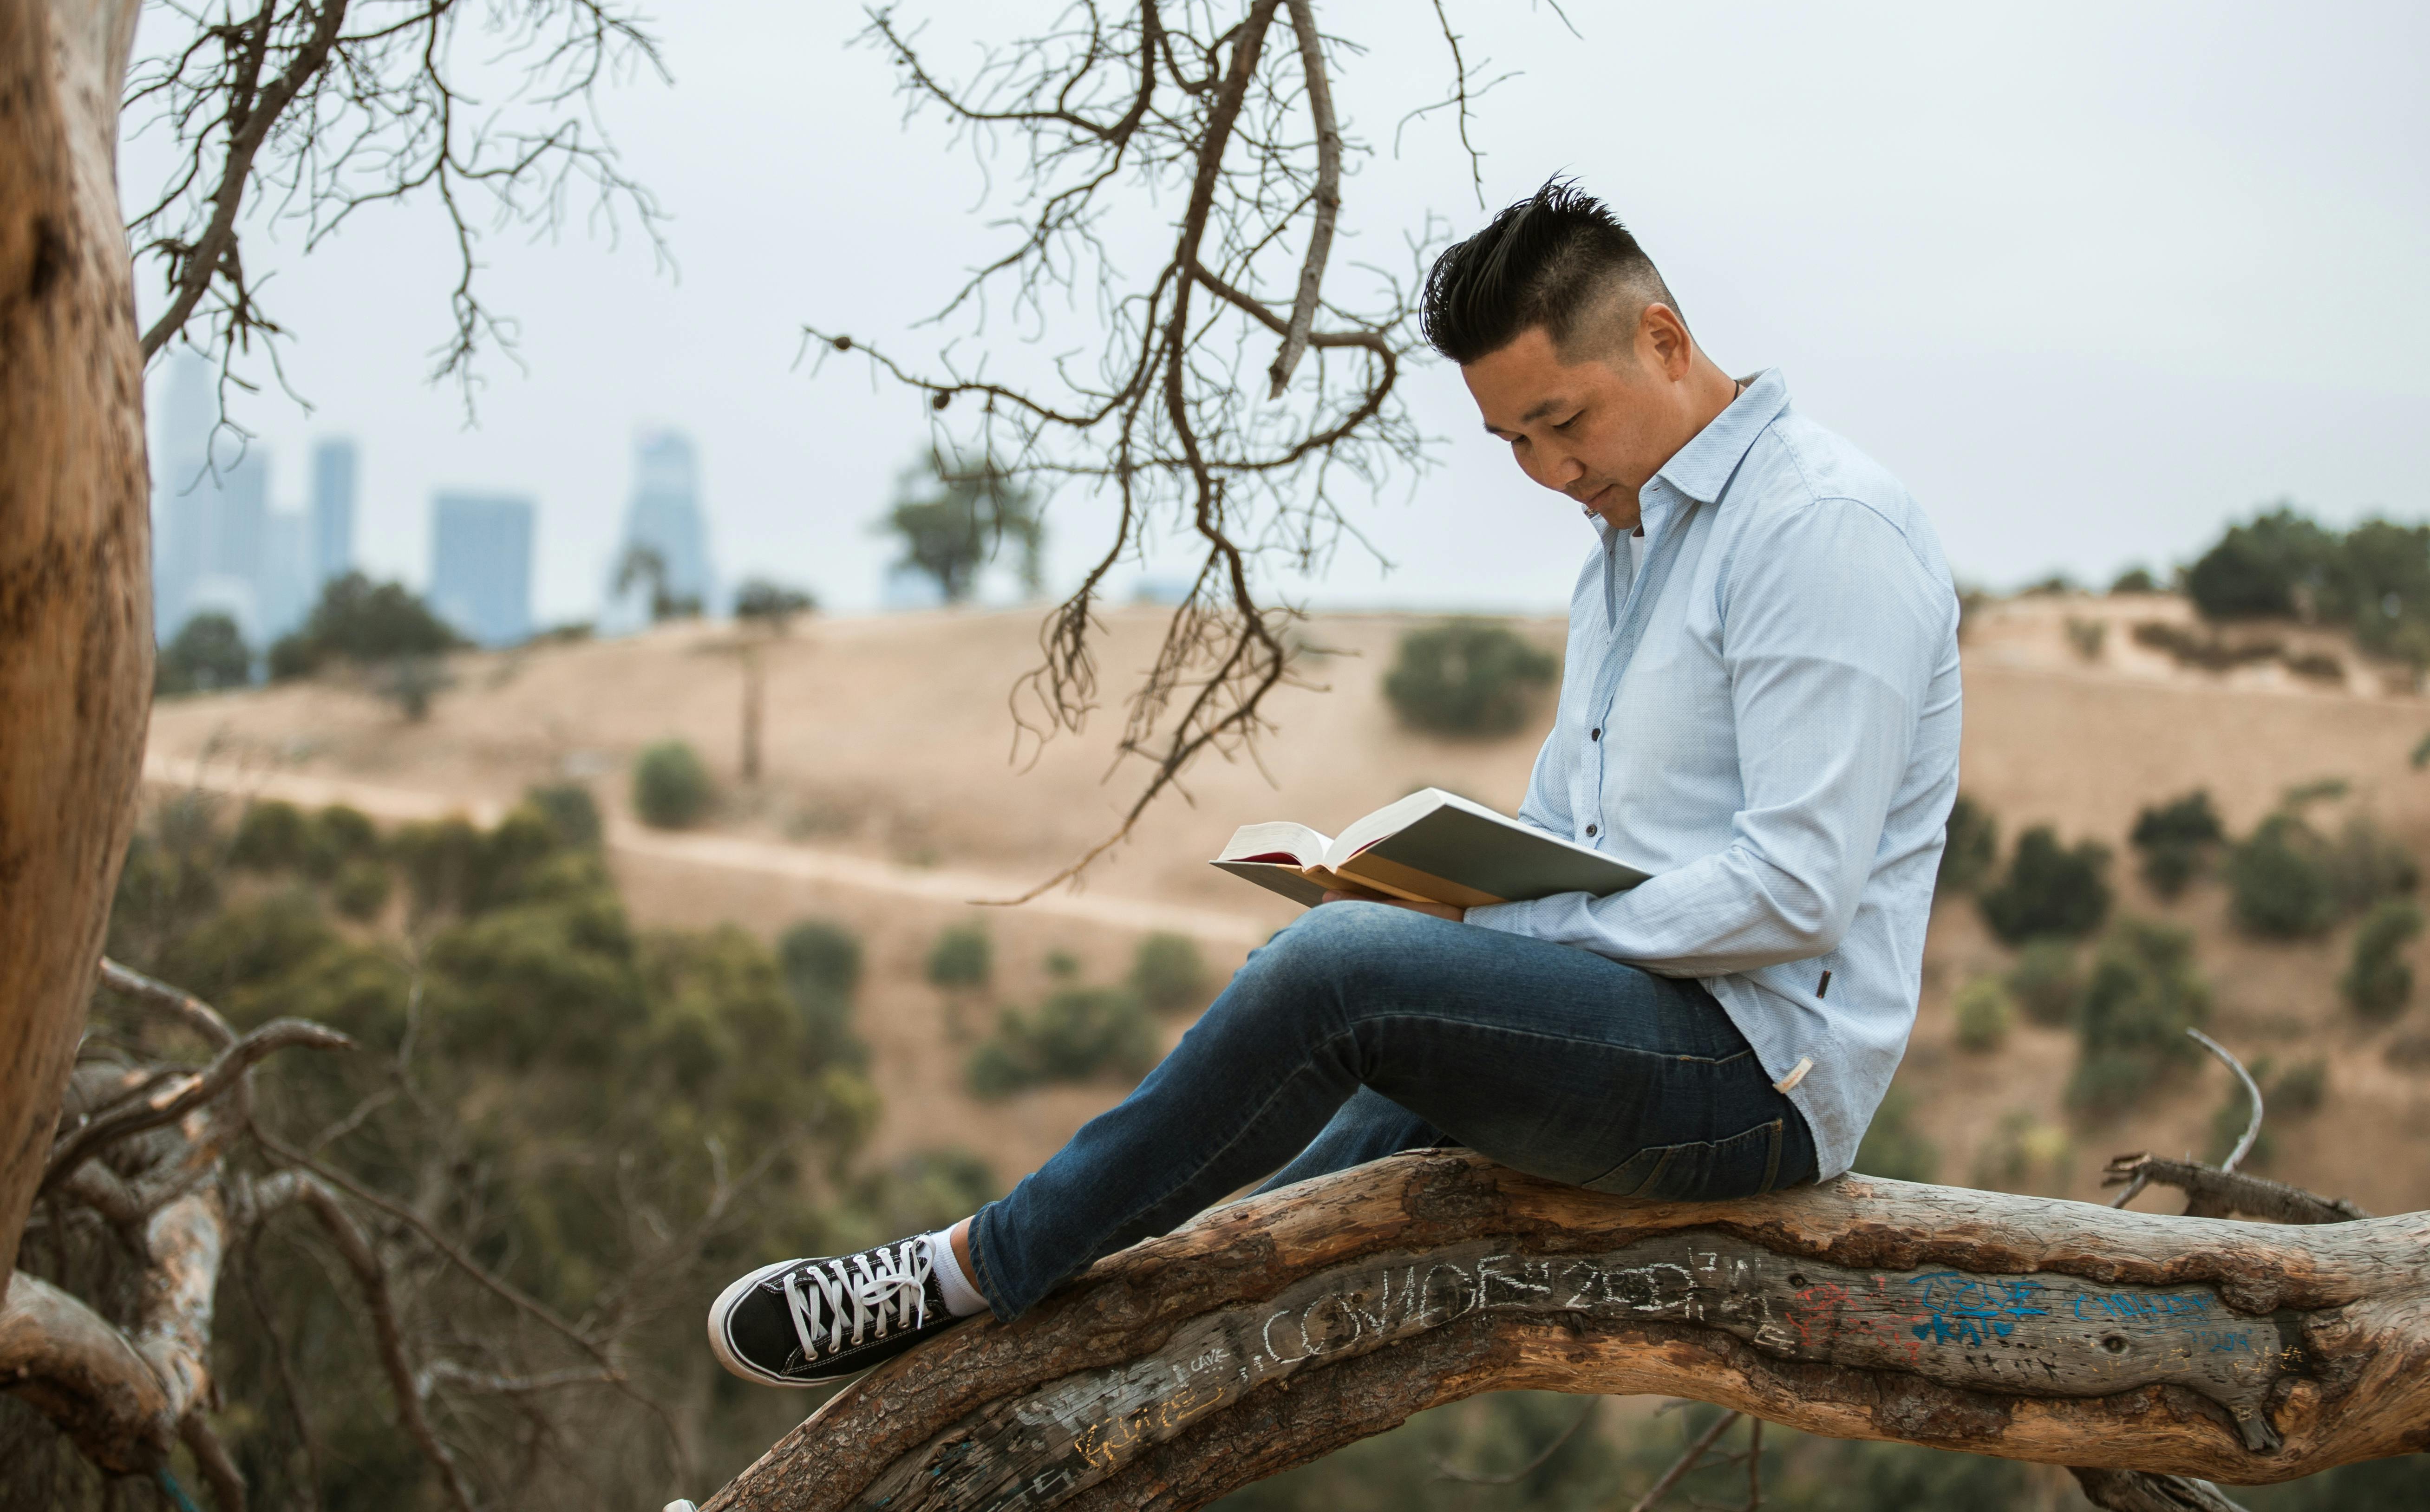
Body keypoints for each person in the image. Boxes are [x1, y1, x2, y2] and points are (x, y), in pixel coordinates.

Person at [706, 179, 1962, 1387]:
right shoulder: (1625, 552)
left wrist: (1501, 926)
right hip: (1622, 1025)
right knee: (1228, 1246)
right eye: (1511, 440)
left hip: (1753, 1086)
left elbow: (1797, 896)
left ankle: (962, 1267)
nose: (1544, 471)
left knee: (1336, 974)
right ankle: (919, 1412)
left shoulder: (1820, 531)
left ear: (1663, 340)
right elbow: (1573, 834)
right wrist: (1453, 896)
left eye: (1563, 423)